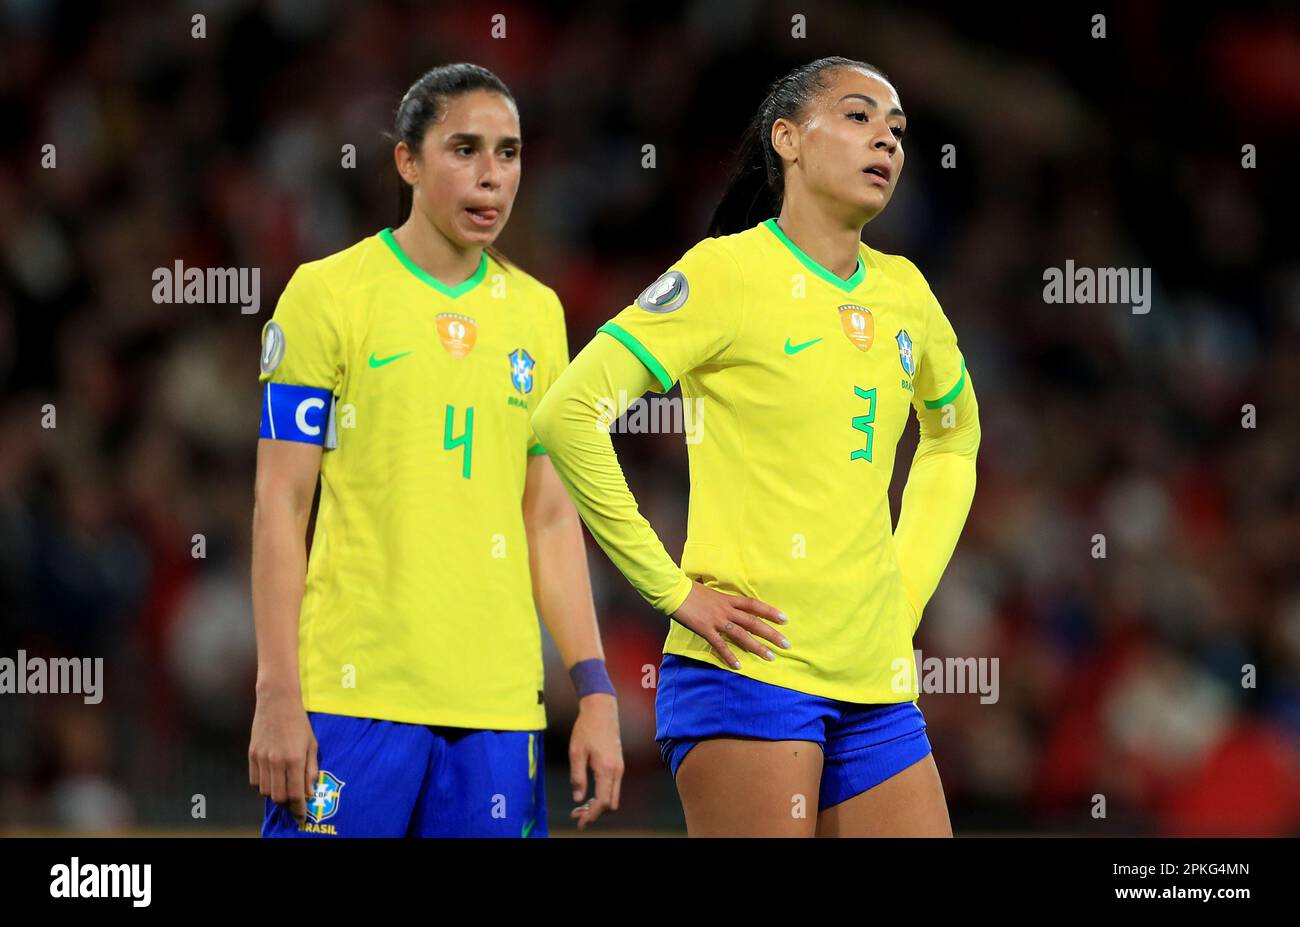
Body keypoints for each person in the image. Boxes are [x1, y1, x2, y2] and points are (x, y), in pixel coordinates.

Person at [531, 57, 979, 836]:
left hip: (876, 682)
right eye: (858, 116)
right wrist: (671, 592)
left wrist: (902, 594)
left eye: (899, 130)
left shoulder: (907, 292)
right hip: (750, 673)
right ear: (788, 140)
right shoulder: (725, 274)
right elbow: (568, 414)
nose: (888, 141)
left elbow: (955, 436)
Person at [248, 63, 622, 837]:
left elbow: (549, 517)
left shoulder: (538, 314)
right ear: (408, 162)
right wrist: (278, 693)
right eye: (465, 149)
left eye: (509, 153)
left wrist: (595, 691)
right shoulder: (328, 295)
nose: (492, 177)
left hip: (498, 710)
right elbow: (280, 503)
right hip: (355, 697)